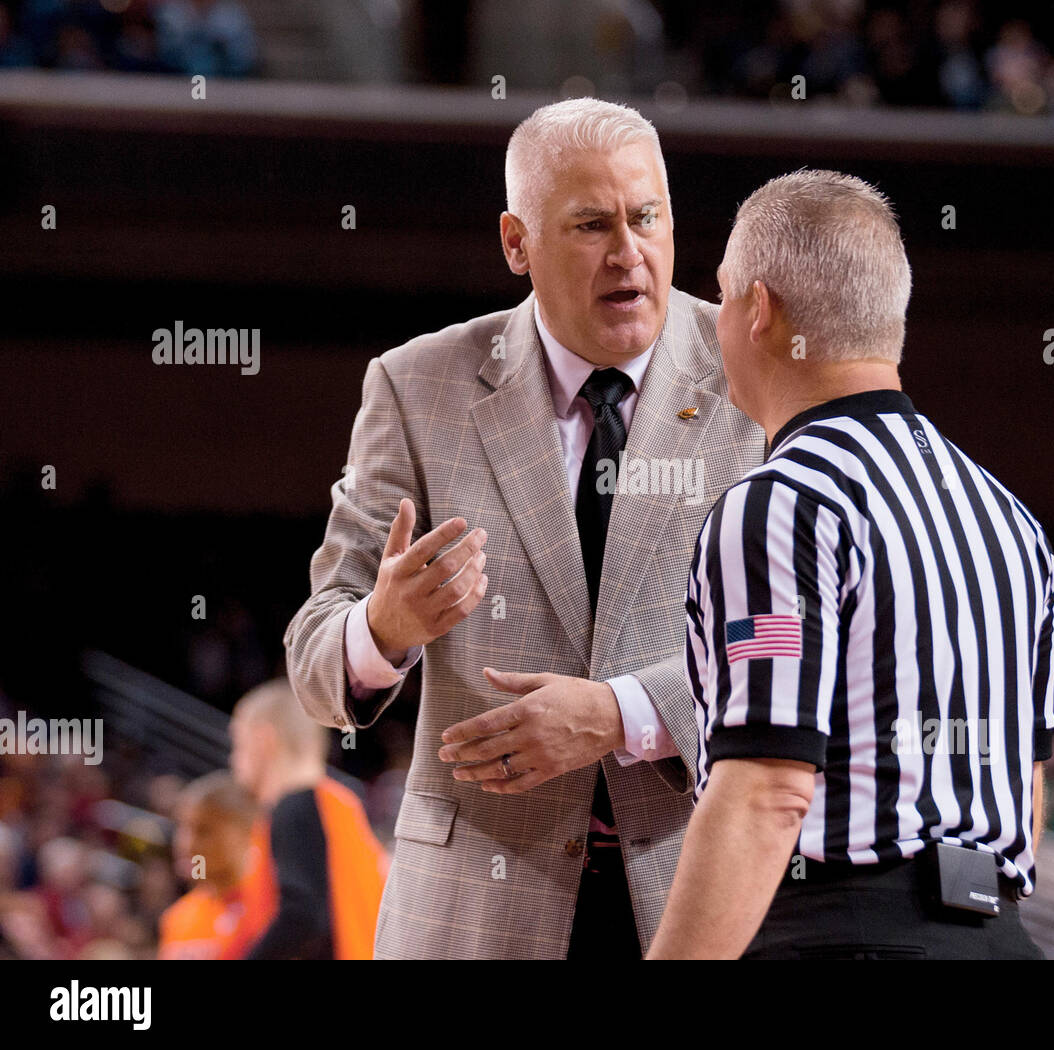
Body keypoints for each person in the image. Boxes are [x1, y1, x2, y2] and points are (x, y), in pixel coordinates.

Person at [282, 97, 766, 958]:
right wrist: (382, 630)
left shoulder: (755, 371)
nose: (629, 253)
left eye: (647, 217)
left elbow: (808, 640)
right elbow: (314, 664)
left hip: (700, 901)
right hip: (475, 916)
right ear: (517, 243)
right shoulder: (416, 385)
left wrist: (624, 713)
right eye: (590, 225)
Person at [649, 170, 1054, 959]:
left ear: (759, 311)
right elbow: (1025, 786)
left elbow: (767, 789)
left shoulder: (782, 501)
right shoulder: (1010, 519)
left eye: (724, 298)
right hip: (1000, 933)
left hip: (841, 932)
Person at [228, 679, 389, 960]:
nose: (232, 760)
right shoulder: (342, 803)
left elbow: (303, 915)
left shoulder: (293, 809)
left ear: (263, 741)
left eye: (237, 743)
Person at [157, 770, 273, 959]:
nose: (187, 844)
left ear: (247, 832)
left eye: (204, 831)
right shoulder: (177, 918)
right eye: (182, 827)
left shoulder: (273, 910)